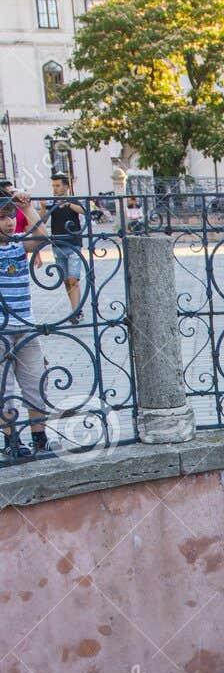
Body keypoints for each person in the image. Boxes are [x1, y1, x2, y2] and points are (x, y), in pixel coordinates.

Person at [0, 192, 52, 461]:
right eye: (1, 217)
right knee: (3, 388)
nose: (9, 222)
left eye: (10, 216)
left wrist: (27, 209)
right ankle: (12, 440)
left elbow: (42, 237)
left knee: (35, 383)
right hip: (0, 329)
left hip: (25, 324)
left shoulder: (17, 245)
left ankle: (40, 439)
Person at [45, 173, 84, 315]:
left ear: (66, 186)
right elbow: (42, 222)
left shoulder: (73, 200)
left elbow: (84, 211)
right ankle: (75, 308)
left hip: (73, 244)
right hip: (57, 244)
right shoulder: (51, 202)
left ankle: (75, 311)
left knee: (73, 279)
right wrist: (45, 207)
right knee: (66, 281)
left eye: (58, 185)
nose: (55, 189)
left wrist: (69, 204)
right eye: (53, 186)